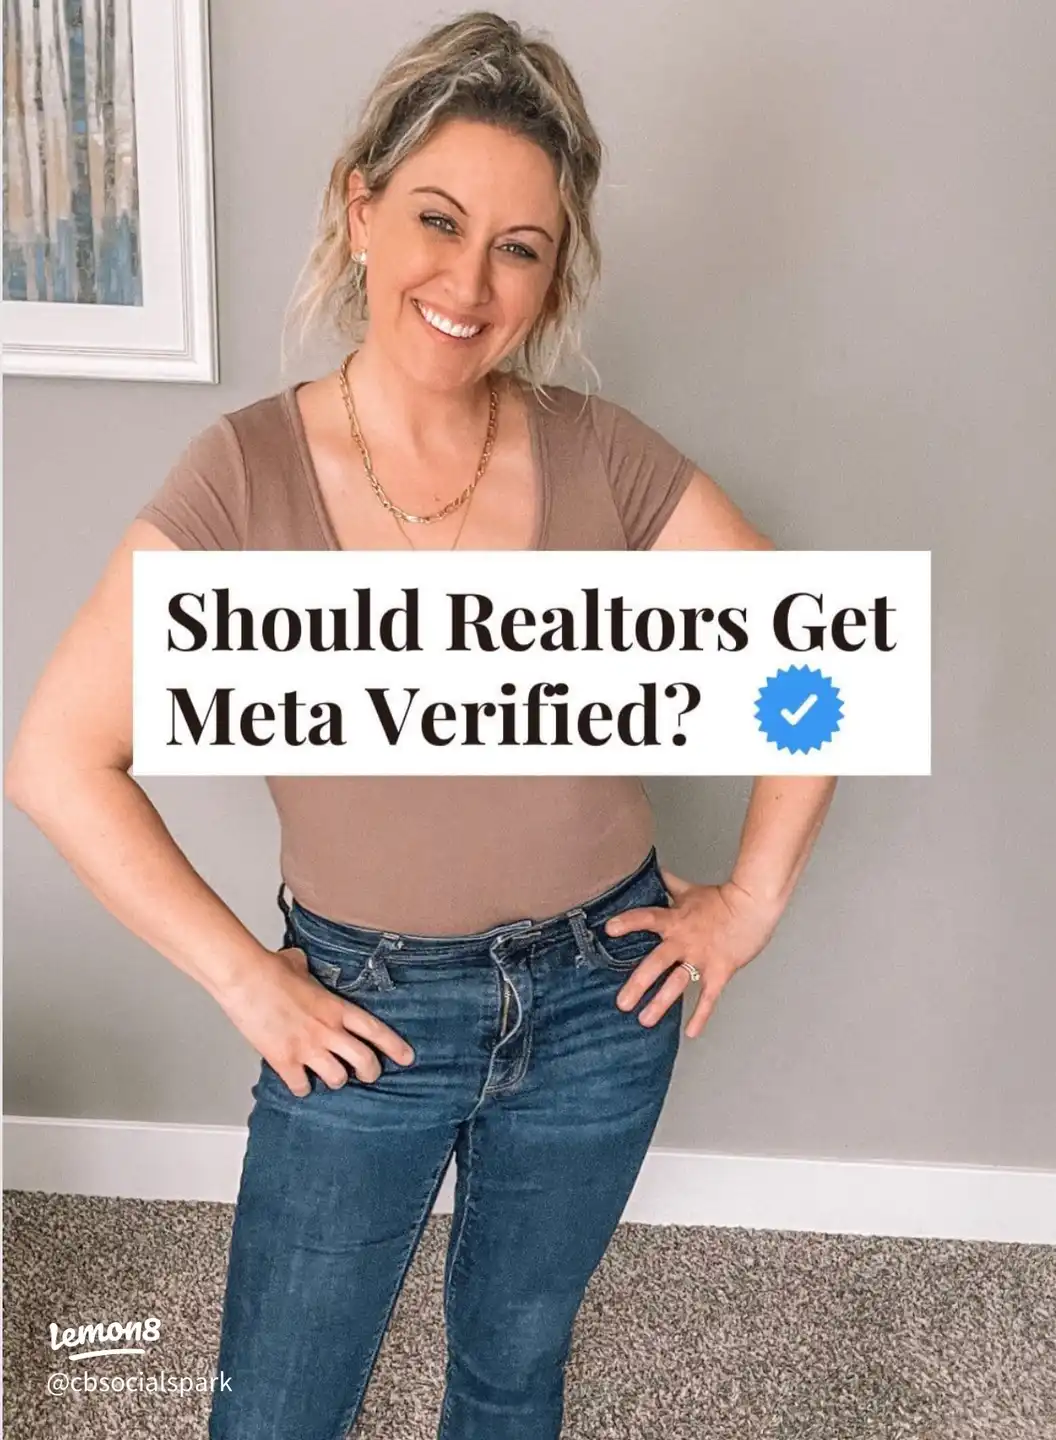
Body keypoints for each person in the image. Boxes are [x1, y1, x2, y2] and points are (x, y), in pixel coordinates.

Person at [5, 11, 837, 1439]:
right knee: (273, 1408)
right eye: (439, 220)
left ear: (552, 273)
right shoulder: (244, 475)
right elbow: (55, 758)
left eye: (520, 246)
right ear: (361, 206)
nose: (469, 280)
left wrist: (748, 903)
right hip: (364, 1014)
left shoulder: (599, 451)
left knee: (512, 1375)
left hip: (599, 1000)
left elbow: (815, 664)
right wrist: (245, 981)